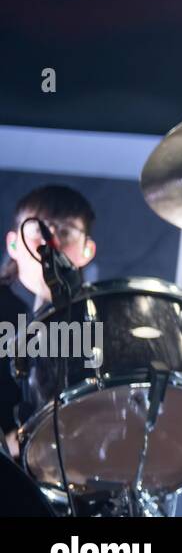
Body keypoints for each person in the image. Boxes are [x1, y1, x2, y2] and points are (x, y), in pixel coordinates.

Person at [1, 185, 98, 457]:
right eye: (38, 230)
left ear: (87, 250)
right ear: (12, 244)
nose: (50, 240)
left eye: (65, 231)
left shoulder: (96, 321)